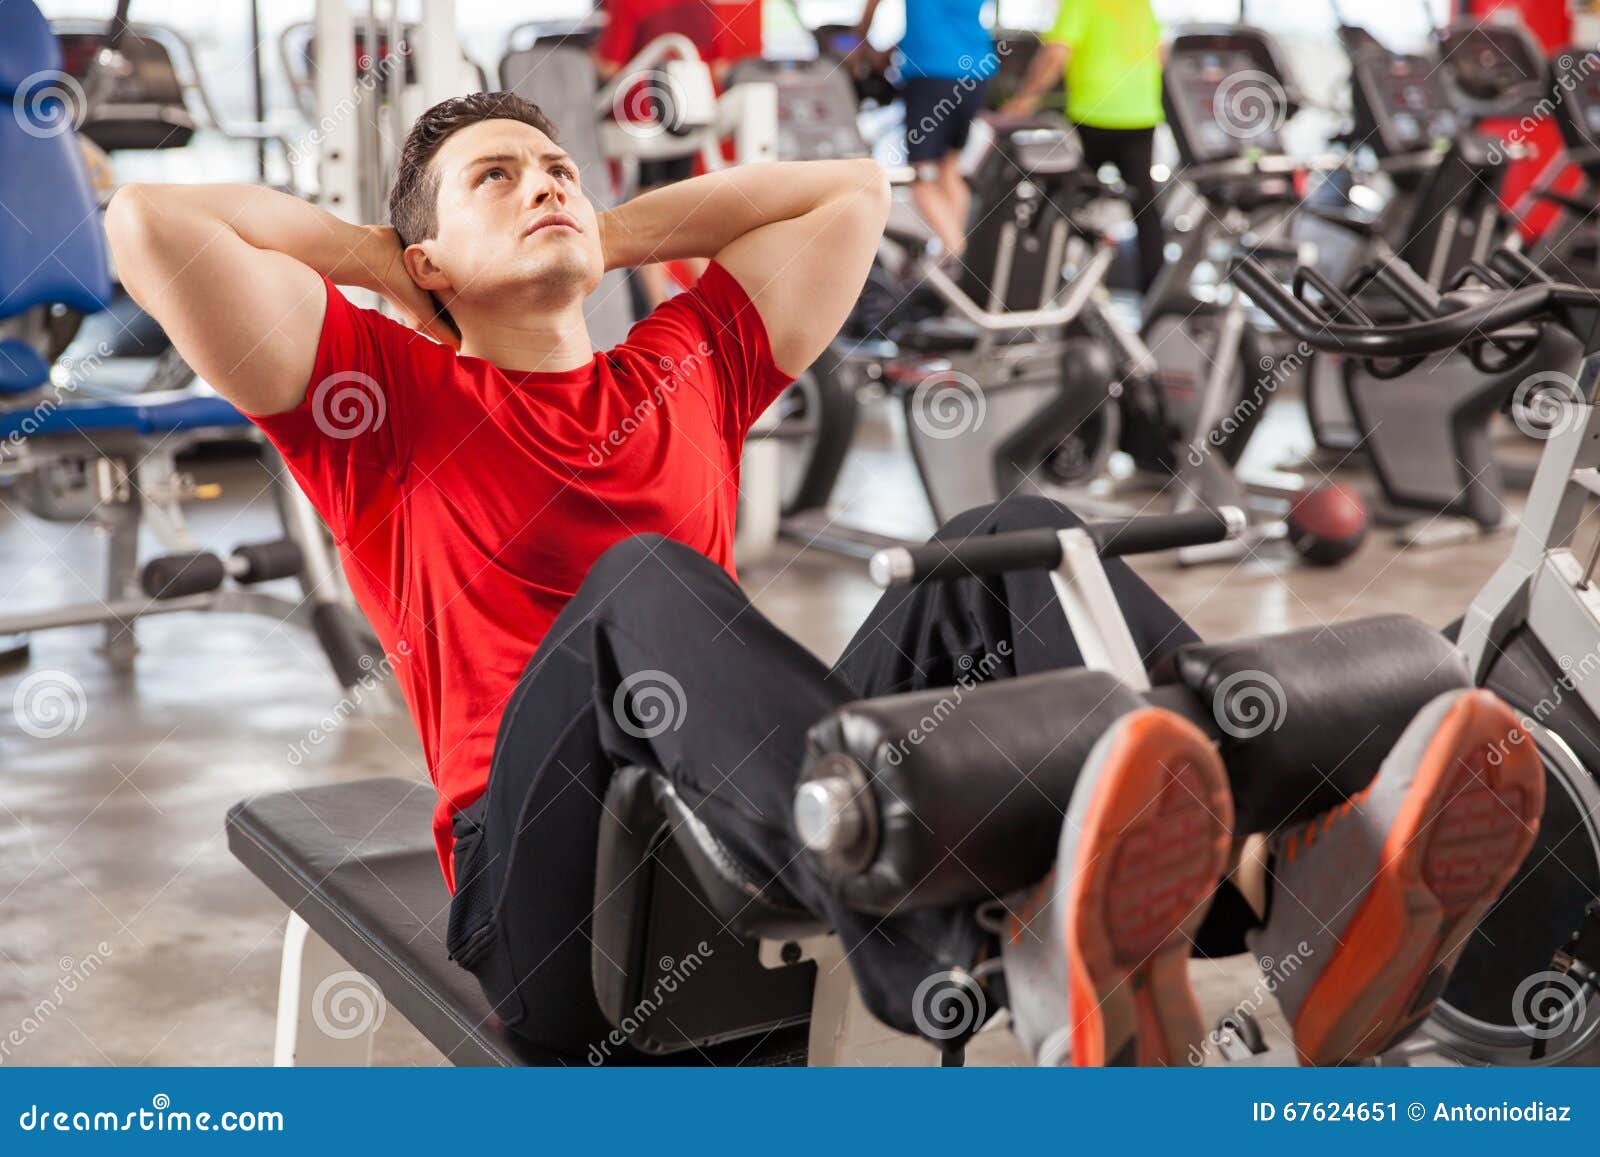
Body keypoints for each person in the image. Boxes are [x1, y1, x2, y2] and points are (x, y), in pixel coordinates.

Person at [103, 90, 1539, 1067]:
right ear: (430, 262)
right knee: (644, 587)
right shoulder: (382, 400)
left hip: (757, 823)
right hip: (551, 909)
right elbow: (148, 229)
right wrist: (376, 263)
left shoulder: (681, 361)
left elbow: (849, 195)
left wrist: (603, 228)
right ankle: (922, 934)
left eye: (558, 173)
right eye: (501, 180)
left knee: (1018, 531)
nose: (546, 188)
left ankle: (1286, 863)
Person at [1002, 0, 1166, 292]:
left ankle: (1037, 283)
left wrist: (1025, 99)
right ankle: (1155, 295)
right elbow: (1160, 53)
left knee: (1061, 202)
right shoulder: (1139, 4)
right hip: (1140, 114)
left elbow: (1056, 54)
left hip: (1094, 113)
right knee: (1145, 208)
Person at [593, 0, 728, 306]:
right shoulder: (704, 5)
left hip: (642, 117)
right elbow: (720, 68)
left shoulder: (626, 4)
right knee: (682, 210)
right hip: (687, 118)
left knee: (646, 210)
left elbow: (610, 67)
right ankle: (714, 307)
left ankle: (657, 309)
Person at [855, 0, 992, 261]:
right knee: (949, 170)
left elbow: (874, 7)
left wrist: (861, 41)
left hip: (931, 73)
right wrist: (894, 48)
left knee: (922, 177)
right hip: (975, 73)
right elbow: (945, 19)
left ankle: (958, 259)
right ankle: (950, 260)